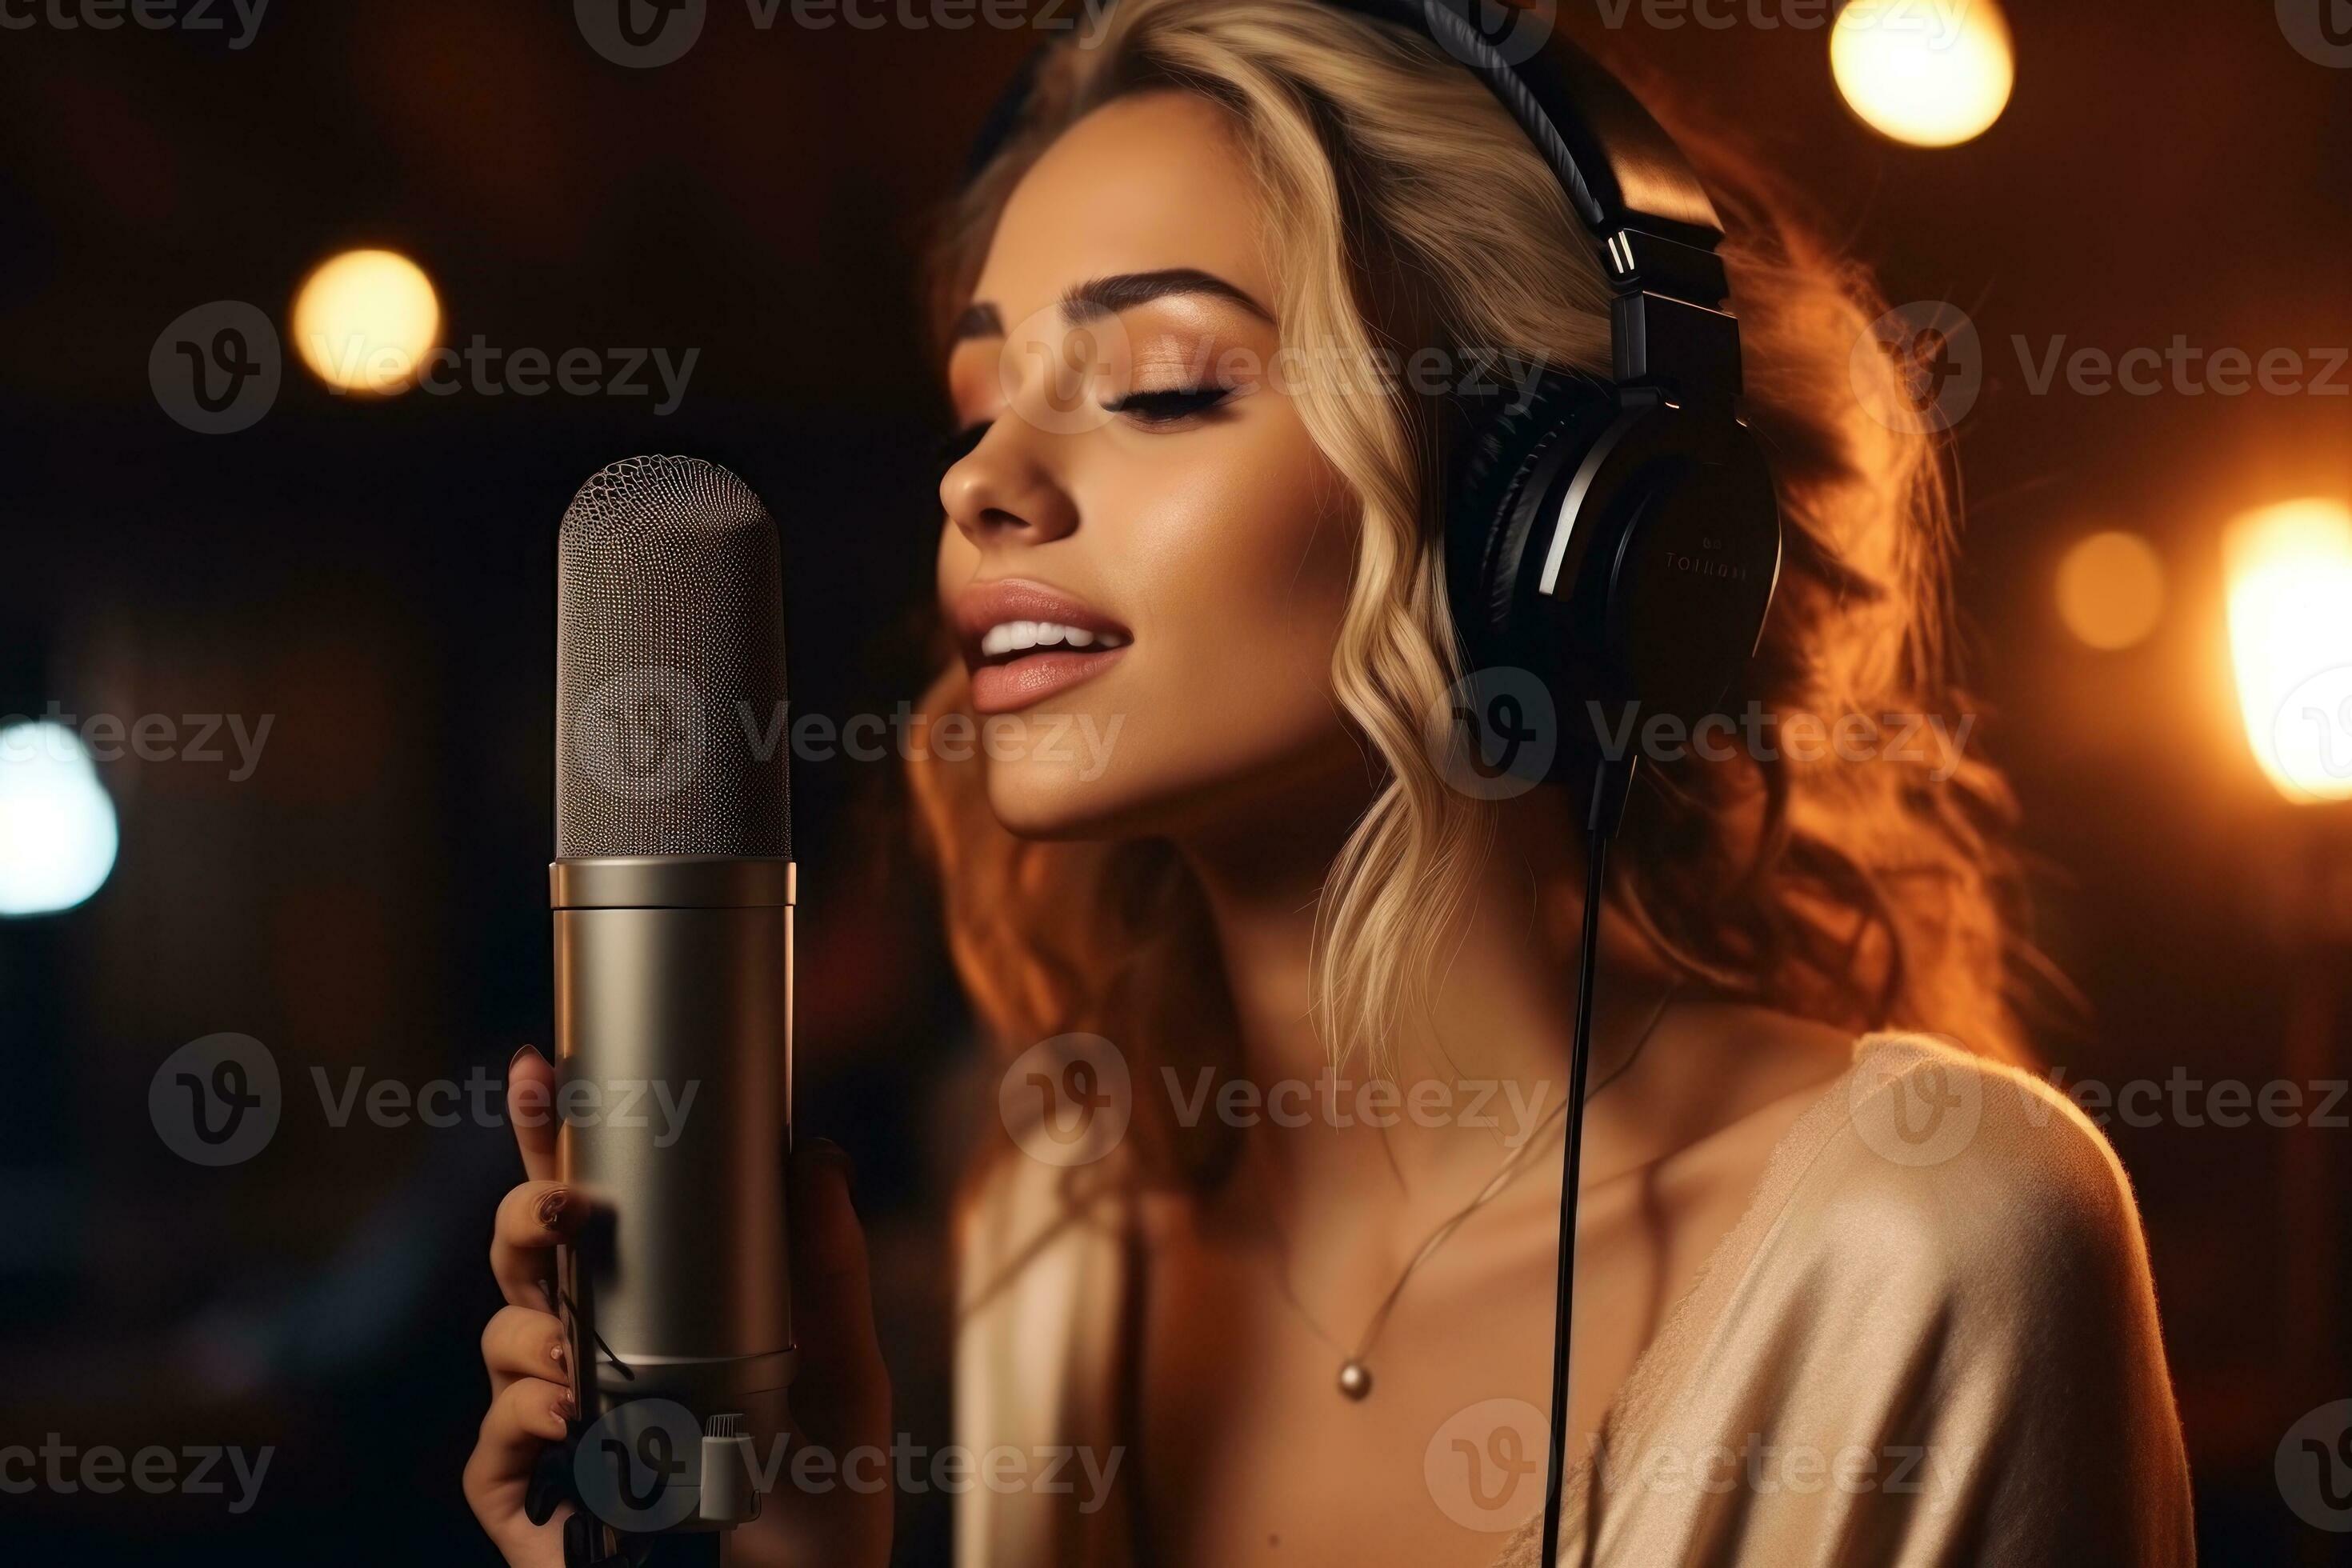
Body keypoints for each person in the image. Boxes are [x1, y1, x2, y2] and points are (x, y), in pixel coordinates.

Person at [466, 2, 2194, 1562]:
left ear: (1544, 511)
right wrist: (791, 1544)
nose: (983, 477)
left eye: (1160, 386)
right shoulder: (1057, 1241)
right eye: (979, 402)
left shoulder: (1939, 1234)